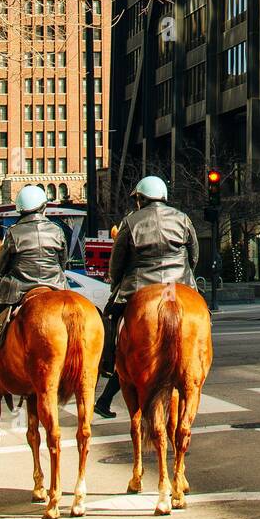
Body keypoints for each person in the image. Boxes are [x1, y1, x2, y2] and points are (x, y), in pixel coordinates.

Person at [94, 175, 200, 418]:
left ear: (140, 199)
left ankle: (110, 366)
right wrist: (186, 278)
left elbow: (117, 262)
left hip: (139, 287)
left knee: (112, 321)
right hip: (178, 284)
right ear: (163, 197)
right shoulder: (183, 219)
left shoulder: (130, 222)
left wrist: (116, 284)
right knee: (201, 315)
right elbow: (194, 255)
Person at [0, 184, 68, 390]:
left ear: (20, 209)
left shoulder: (13, 233)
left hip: (18, 289)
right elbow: (62, 262)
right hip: (56, 286)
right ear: (43, 207)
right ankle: (103, 364)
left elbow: (1, 266)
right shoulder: (57, 230)